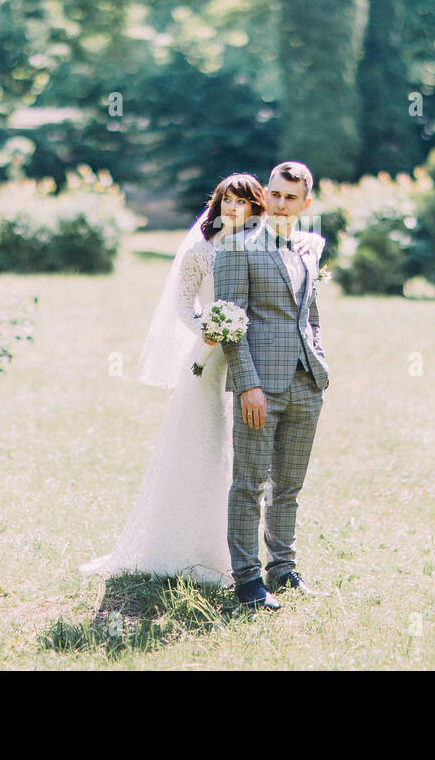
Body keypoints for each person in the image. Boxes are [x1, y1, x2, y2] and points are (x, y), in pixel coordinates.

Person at [81, 173, 321, 587]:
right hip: (216, 363)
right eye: (227, 201)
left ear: (255, 206)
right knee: (210, 453)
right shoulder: (214, 248)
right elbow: (184, 302)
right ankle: (202, 551)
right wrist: (207, 328)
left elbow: (303, 312)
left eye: (242, 202)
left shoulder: (288, 246)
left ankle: (276, 564)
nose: (233, 209)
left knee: (257, 469)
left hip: (280, 372)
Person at [214, 161, 329, 610]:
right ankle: (247, 580)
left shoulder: (309, 248)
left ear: (305, 203)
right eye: (275, 194)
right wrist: (247, 385)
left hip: (307, 384)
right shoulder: (238, 248)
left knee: (289, 486)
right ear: (268, 194)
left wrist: (319, 362)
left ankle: (283, 568)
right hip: (260, 387)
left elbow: (311, 315)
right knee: (249, 483)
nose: (281, 204)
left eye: (291, 197)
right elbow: (230, 324)